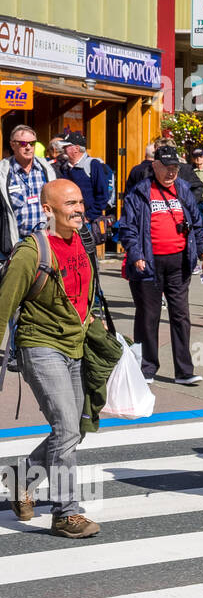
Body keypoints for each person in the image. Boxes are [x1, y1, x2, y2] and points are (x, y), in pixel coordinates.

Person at [0, 179, 109, 538]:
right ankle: (66, 512)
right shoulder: (32, 252)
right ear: (48, 210)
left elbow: (87, 288)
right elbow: (3, 306)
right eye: (69, 204)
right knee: (65, 426)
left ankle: (20, 478)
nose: (78, 209)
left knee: (73, 429)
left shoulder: (83, 238)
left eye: (80, 202)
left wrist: (92, 318)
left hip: (76, 344)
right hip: (41, 345)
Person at [118, 144, 203, 385]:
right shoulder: (140, 192)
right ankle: (147, 367)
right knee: (148, 315)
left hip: (179, 262)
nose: (171, 173)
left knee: (181, 315)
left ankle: (184, 371)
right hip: (148, 263)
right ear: (155, 166)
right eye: (167, 168)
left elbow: (197, 223)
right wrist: (136, 254)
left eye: (175, 169)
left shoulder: (182, 189)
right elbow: (127, 227)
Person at [0, 124, 57, 260]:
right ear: (13, 145)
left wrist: (54, 233)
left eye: (32, 143)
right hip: (16, 242)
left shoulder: (47, 169)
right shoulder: (3, 172)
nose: (28, 147)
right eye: (23, 143)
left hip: (45, 240)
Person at [57, 132, 114, 225]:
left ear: (76, 148)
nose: (63, 150)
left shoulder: (93, 164)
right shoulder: (64, 167)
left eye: (66, 146)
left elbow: (103, 195)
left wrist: (89, 216)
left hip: (88, 223)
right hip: (69, 220)